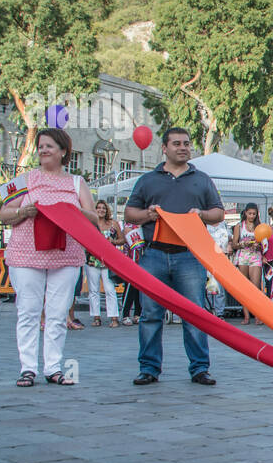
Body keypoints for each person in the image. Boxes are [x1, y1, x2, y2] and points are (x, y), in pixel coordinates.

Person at [124, 127, 226, 386]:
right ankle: (148, 368)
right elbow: (129, 214)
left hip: (189, 256)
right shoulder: (148, 180)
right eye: (177, 143)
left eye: (187, 143)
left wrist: (201, 215)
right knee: (149, 314)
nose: (183, 147)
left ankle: (200, 368)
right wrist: (148, 215)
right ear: (165, 148)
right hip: (154, 254)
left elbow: (218, 213)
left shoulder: (201, 179)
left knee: (195, 313)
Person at [0, 128, 98, 386]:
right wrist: (24, 211)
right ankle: (27, 368)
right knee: (28, 311)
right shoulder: (25, 180)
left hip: (65, 254)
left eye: (49, 146)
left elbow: (94, 218)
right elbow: (4, 213)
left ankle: (53, 367)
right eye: (41, 146)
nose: (43, 150)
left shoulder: (77, 183)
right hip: (26, 253)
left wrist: (70, 210)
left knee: (57, 312)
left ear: (63, 151)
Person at [84, 200, 123, 328]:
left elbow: (122, 239)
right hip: (92, 260)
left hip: (108, 261)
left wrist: (113, 241)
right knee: (93, 290)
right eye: (98, 208)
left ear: (107, 210)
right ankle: (96, 317)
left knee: (109, 289)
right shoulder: (89, 224)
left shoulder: (113, 224)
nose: (101, 210)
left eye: (103, 208)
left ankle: (114, 317)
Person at [231, 203, 264, 325]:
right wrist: (242, 244)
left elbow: (263, 244)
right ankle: (246, 316)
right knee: (244, 287)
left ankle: (257, 315)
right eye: (249, 213)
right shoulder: (239, 226)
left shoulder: (259, 226)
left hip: (255, 256)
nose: (251, 216)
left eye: (254, 214)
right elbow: (234, 244)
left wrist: (258, 245)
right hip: (243, 256)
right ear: (245, 213)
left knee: (255, 287)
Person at [118, 222, 144, 326]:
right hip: (131, 260)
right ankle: (125, 314)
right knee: (130, 287)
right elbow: (130, 237)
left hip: (142, 261)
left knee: (139, 288)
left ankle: (137, 313)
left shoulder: (144, 224)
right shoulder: (128, 226)